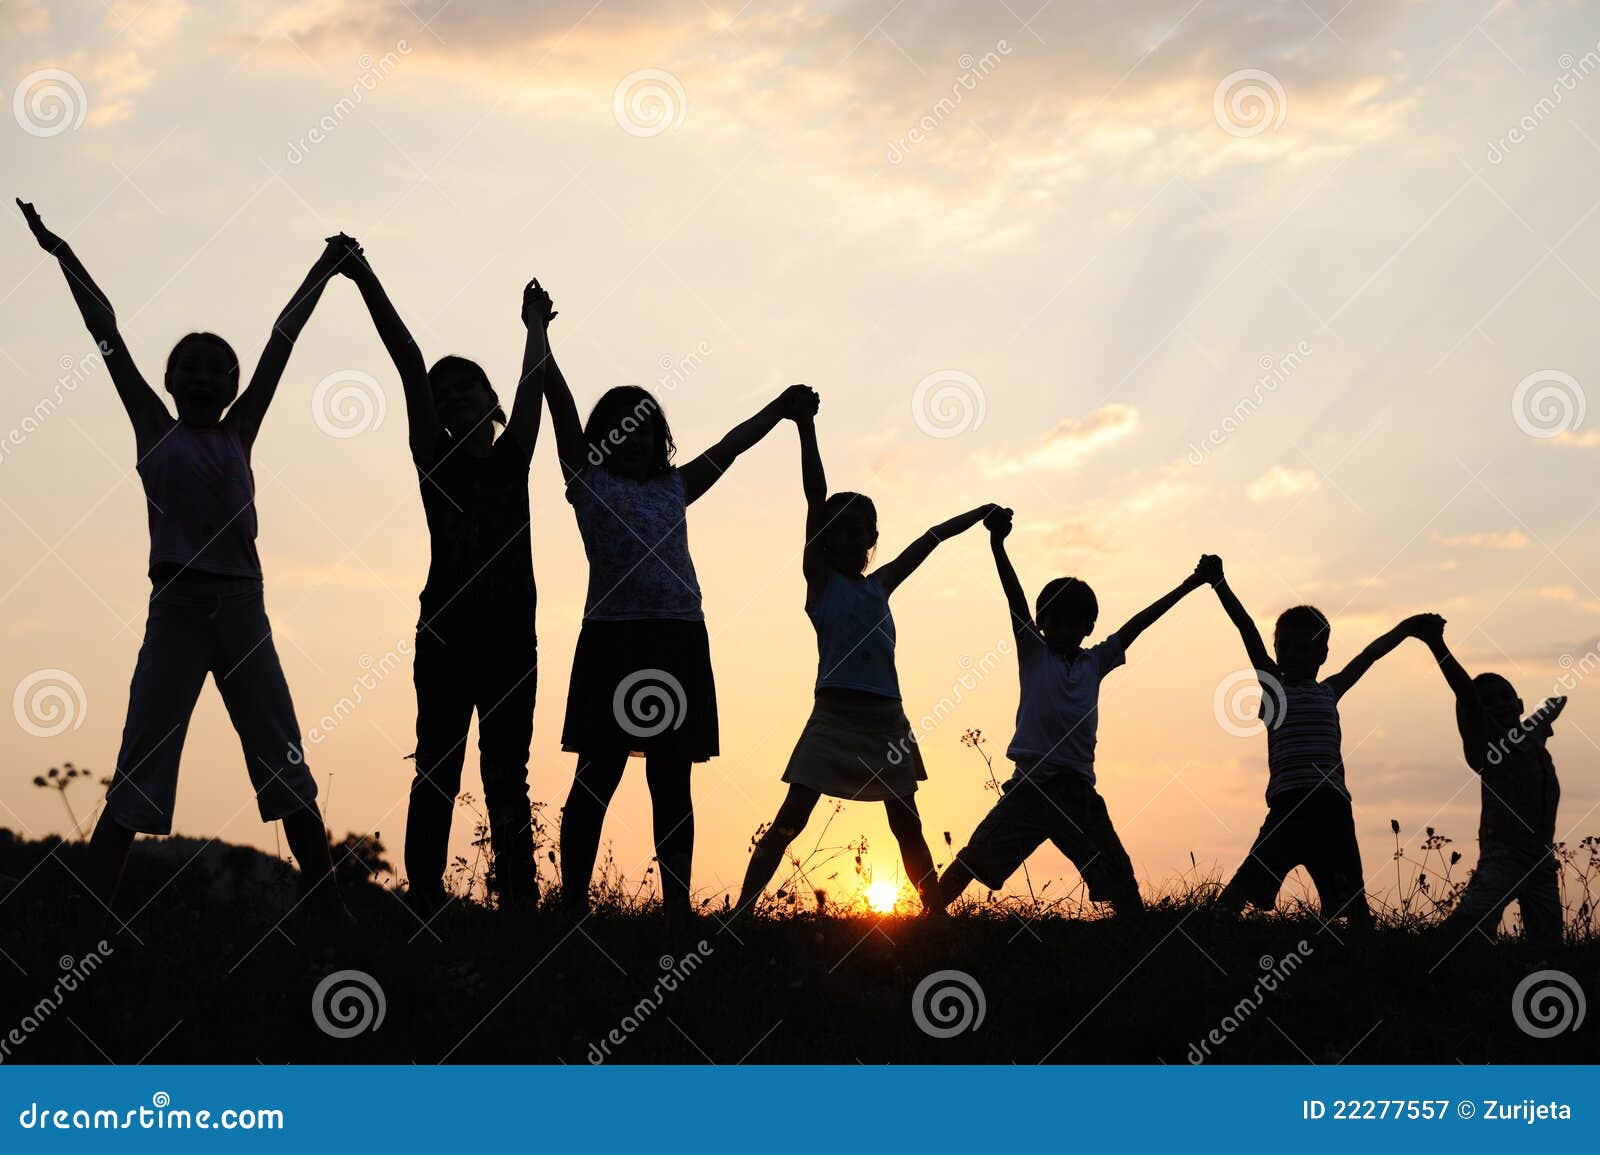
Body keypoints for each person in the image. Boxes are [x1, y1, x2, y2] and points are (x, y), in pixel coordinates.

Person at [16, 199, 344, 918]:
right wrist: (61, 250)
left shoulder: (241, 432)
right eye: (187, 368)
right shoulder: (152, 429)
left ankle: (327, 907)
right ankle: (90, 914)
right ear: (168, 383)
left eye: (214, 370)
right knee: (142, 757)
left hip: (243, 608)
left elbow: (281, 341)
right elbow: (105, 331)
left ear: (231, 387)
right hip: (176, 609)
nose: (200, 378)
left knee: (281, 751)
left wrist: (324, 268)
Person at [541, 325, 817, 929]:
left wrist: (783, 409)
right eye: (621, 430)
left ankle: (676, 910)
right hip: (612, 637)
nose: (634, 440)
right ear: (599, 441)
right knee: (598, 772)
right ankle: (570, 908)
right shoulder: (587, 481)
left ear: (659, 438)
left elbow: (733, 444)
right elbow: (558, 404)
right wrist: (539, 333)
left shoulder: (676, 485)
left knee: (671, 778)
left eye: (645, 429)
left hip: (677, 639)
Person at [340, 241, 549, 912]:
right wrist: (365, 274)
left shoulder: (514, 457)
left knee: (506, 776)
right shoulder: (432, 460)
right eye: (443, 392)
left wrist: (536, 329)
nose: (454, 396)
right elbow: (406, 358)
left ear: (491, 402)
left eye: (467, 388)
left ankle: (518, 900)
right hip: (447, 638)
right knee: (436, 766)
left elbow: (533, 388)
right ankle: (425, 899)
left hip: (513, 640)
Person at [735, 409, 997, 915]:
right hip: (833, 717)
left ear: (872, 539)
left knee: (907, 823)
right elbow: (815, 496)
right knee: (791, 818)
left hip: (884, 721)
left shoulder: (881, 586)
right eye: (843, 531)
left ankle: (936, 918)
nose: (854, 540)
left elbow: (933, 538)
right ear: (827, 539)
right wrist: (807, 427)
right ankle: (739, 914)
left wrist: (980, 512)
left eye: (862, 533)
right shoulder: (821, 583)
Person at [937, 512, 1213, 915]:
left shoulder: (1095, 662)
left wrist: (1190, 584)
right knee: (976, 855)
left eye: (1076, 622)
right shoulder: (1033, 651)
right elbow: (1013, 597)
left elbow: (1141, 622)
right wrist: (998, 544)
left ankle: (1139, 933)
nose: (1066, 629)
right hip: (1030, 789)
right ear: (1043, 621)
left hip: (1077, 793)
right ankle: (929, 916)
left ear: (1088, 627)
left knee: (1117, 873)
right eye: (1057, 620)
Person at [1209, 558, 1436, 926]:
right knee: (1245, 885)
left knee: (1351, 902)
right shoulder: (1274, 688)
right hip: (1288, 805)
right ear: (1277, 650)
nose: (1294, 655)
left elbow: (1370, 655)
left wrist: (1408, 628)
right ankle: (1210, 930)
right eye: (1286, 647)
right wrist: (1219, 583)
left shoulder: (1331, 690)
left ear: (1322, 654)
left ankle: (1363, 954)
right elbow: (1246, 628)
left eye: (1305, 648)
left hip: (1332, 808)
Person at [1419, 618, 1566, 945]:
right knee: (1469, 929)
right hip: (1504, 853)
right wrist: (1436, 644)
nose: (1499, 704)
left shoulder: (1533, 740)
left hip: (1541, 858)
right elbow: (1466, 693)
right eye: (1489, 702)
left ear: (1519, 706)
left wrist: (1541, 720)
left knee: (1550, 941)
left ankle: (1530, 976)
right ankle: (1429, 957)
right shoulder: (1490, 748)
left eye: (1505, 697)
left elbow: (1557, 703)